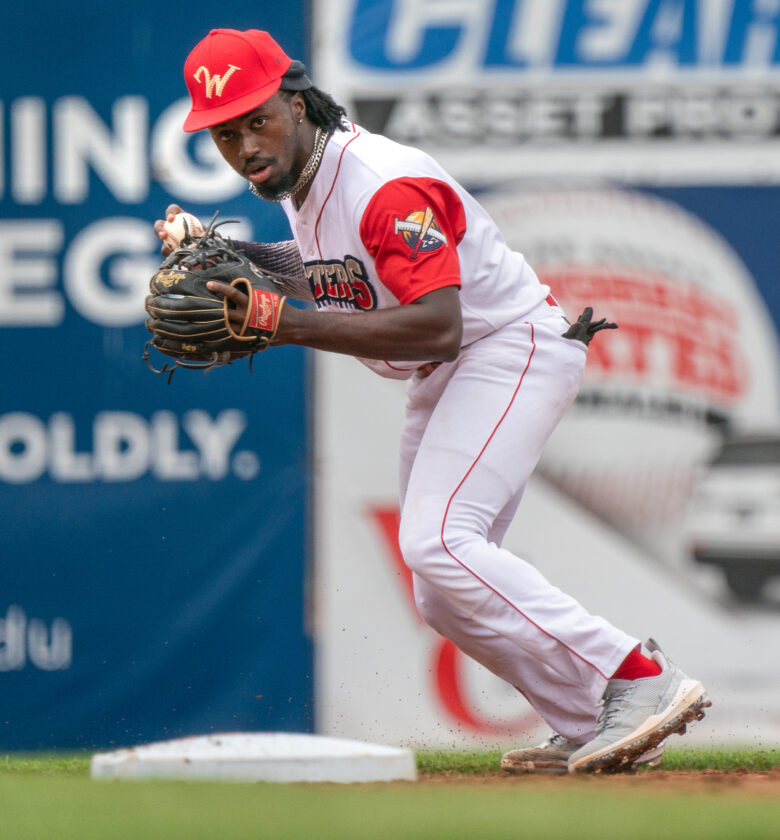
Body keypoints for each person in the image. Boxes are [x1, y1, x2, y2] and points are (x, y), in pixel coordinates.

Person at [153, 27, 710, 774]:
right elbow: (322, 271)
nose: (247, 144)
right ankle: (591, 722)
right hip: (451, 371)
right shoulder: (305, 178)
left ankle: (639, 676)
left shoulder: (383, 182)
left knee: (440, 542)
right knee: (439, 592)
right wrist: (236, 258)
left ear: (297, 100)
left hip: (506, 350)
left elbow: (439, 325)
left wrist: (278, 323)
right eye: (226, 132)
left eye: (259, 119)